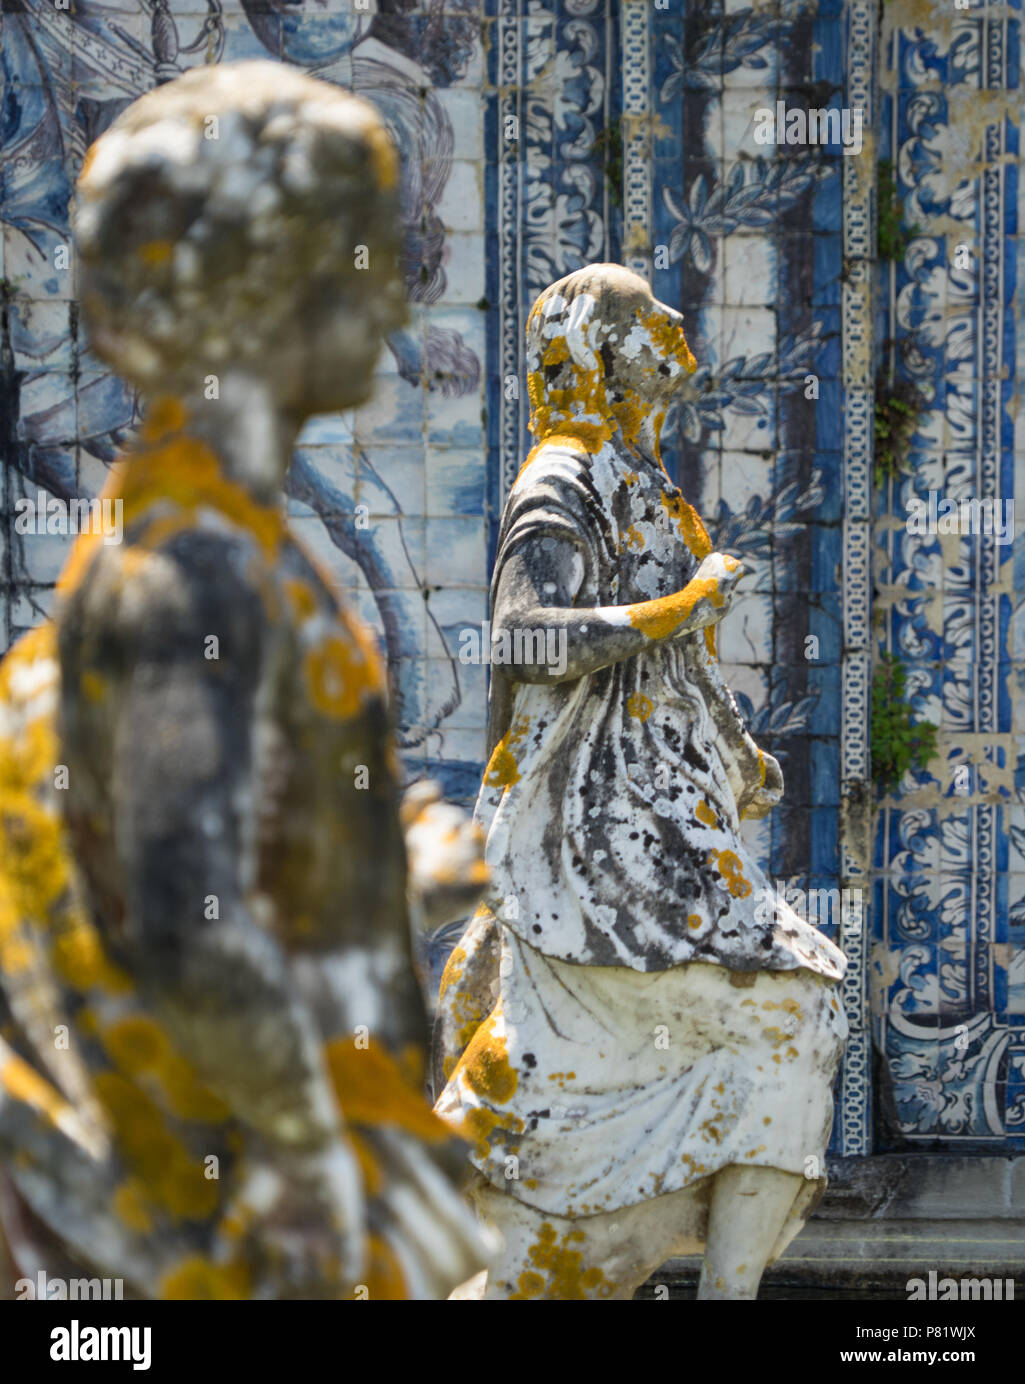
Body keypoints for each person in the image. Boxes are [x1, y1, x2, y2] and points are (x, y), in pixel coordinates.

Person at [0, 60, 487, 1300]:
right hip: (248, 1217)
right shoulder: (195, 569)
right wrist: (317, 1162)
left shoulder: (222, 545)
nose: (399, 289)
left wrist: (379, 878)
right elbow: (182, 917)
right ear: (260, 290)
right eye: (368, 254)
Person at [434, 263, 848, 1300]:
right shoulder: (562, 477)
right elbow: (524, 637)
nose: (672, 322)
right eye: (645, 315)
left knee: (796, 1009)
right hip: (589, 835)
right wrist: (685, 604)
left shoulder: (645, 483)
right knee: (795, 999)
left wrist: (730, 745)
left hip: (662, 819)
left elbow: (671, 666)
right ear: (597, 349)